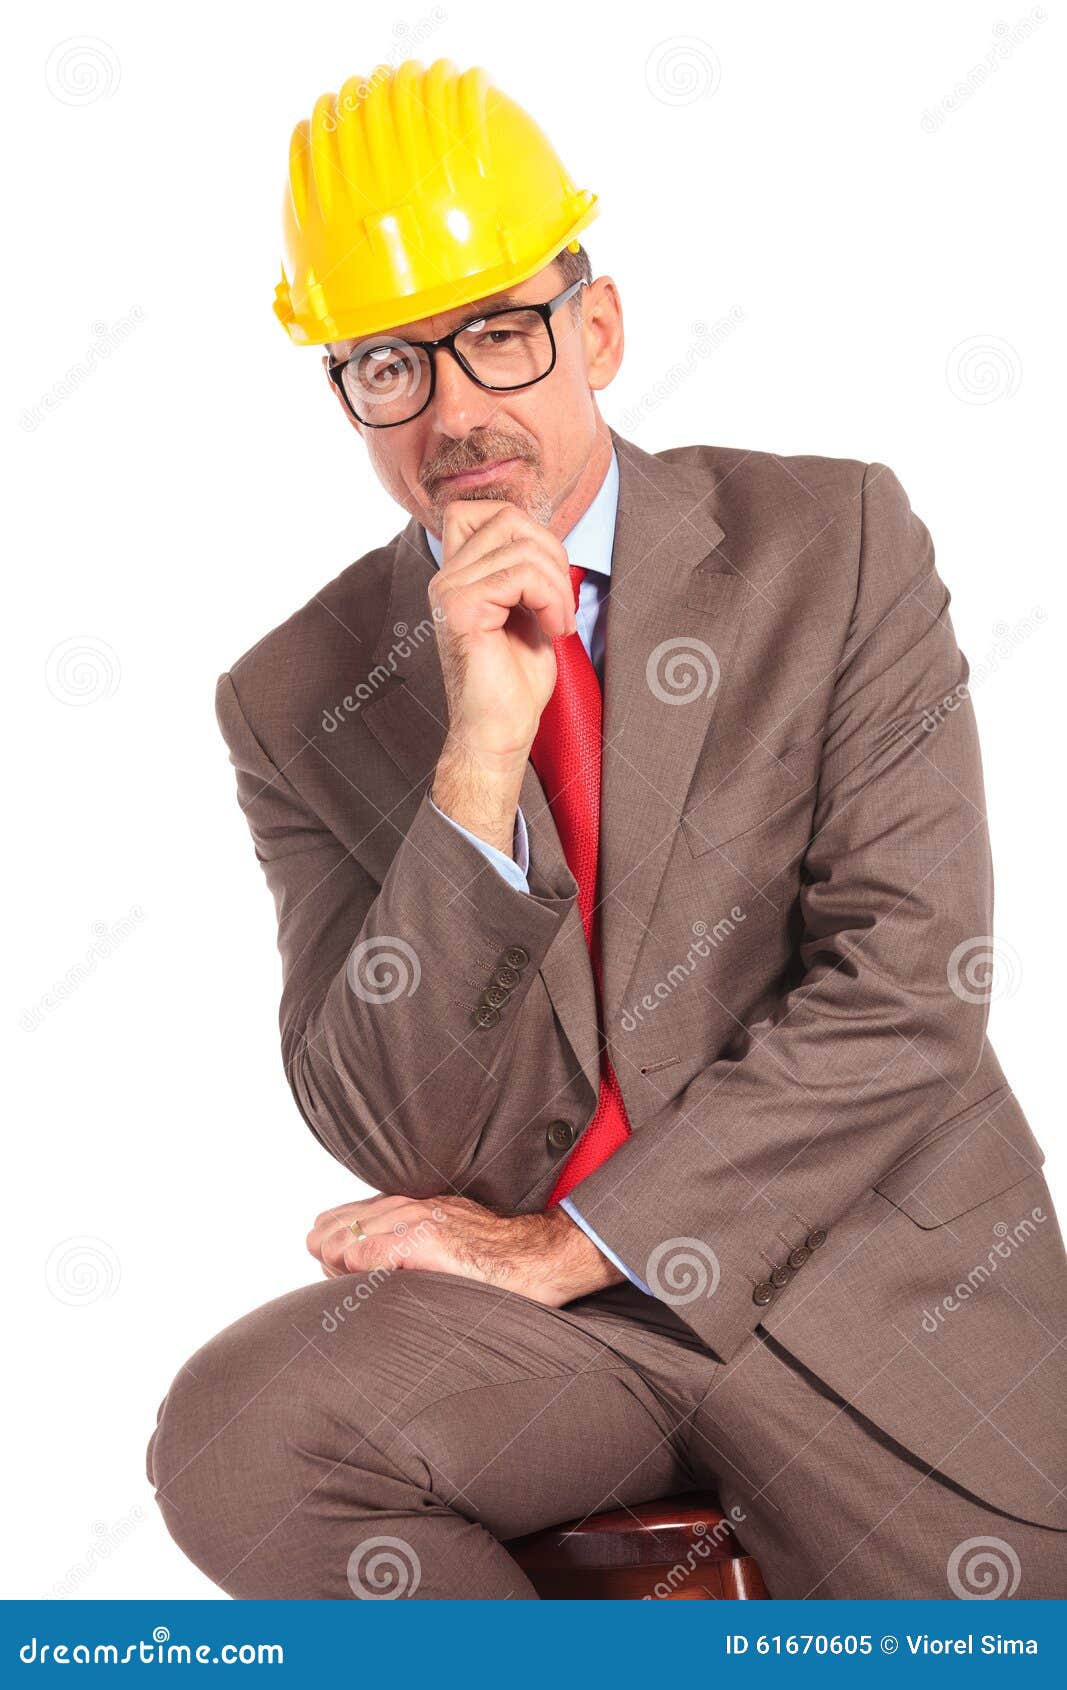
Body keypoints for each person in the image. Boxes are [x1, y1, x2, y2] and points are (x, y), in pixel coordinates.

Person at [146, 57, 1067, 1600]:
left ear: (598, 328)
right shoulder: (293, 697)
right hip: (558, 1351)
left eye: (497, 333)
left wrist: (579, 1242)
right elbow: (396, 1134)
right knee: (239, 1439)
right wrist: (478, 761)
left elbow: (909, 987)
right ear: (346, 396)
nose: (454, 408)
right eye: (391, 364)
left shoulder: (830, 545)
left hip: (863, 1287)